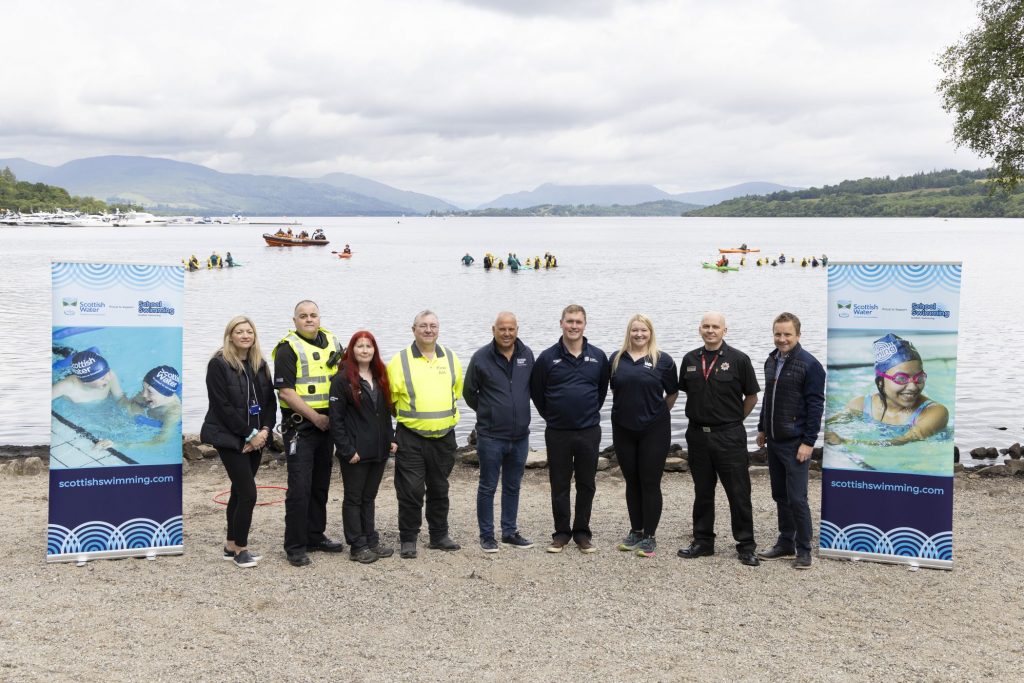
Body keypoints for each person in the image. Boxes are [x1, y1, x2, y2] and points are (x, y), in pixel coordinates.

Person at [677, 312, 761, 566]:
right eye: (706, 326)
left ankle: (746, 545)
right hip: (698, 436)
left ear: (725, 330)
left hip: (729, 436)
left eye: (715, 327)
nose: (710, 330)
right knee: (702, 491)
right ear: (699, 329)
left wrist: (733, 421)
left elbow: (752, 397)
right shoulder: (690, 359)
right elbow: (684, 391)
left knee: (738, 492)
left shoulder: (739, 360)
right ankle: (703, 541)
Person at [530, 304, 610, 554]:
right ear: (561, 323)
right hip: (558, 431)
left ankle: (582, 533)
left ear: (585, 325)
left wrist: (584, 414)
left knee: (587, 483)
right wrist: (555, 416)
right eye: (570, 321)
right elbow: (537, 394)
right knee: (560, 484)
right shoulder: (546, 357)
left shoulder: (598, 356)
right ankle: (562, 533)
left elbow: (601, 392)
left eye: (578, 322)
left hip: (588, 431)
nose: (574, 326)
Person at [200, 316, 277, 569]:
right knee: (248, 494)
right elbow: (221, 406)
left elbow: (269, 402)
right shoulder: (219, 364)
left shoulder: (260, 364)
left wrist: (265, 430)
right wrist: (248, 434)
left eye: (249, 332)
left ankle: (230, 544)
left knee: (238, 490)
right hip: (229, 437)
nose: (245, 335)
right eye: (239, 331)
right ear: (230, 335)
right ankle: (242, 550)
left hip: (257, 437)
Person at [273, 300, 345, 567]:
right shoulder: (287, 348)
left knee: (320, 485)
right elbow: (286, 392)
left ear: (319, 317)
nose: (309, 319)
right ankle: (294, 545)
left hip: (328, 426)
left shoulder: (333, 341)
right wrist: (315, 418)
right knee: (299, 488)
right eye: (303, 316)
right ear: (294, 320)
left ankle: (315, 535)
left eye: (313, 315)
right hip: (301, 427)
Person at [387, 310, 464, 559]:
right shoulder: (400, 361)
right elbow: (389, 400)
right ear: (414, 330)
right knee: (410, 490)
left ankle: (439, 535)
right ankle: (408, 538)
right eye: (423, 326)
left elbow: (457, 391)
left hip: (444, 437)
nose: (428, 330)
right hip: (411, 436)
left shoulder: (451, 358)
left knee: (440, 488)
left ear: (438, 329)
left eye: (433, 325)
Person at [755, 313, 825, 570]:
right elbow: (768, 398)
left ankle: (804, 549)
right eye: (778, 334)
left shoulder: (810, 365)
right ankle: (786, 542)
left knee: (797, 498)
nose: (782, 339)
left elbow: (816, 405)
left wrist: (809, 441)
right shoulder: (771, 360)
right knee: (780, 495)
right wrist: (762, 427)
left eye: (787, 334)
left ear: (798, 335)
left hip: (796, 442)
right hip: (773, 440)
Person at [463, 312, 536, 553]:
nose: (507, 333)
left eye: (511, 329)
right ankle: (487, 536)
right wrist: (488, 411)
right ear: (493, 329)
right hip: (491, 436)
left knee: (513, 486)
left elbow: (532, 388)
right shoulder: (481, 357)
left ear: (517, 329)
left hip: (520, 436)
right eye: (502, 329)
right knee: (488, 486)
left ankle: (509, 532)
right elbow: (469, 392)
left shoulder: (527, 355)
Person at [609, 314, 679, 558]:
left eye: (644, 331)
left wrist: (655, 413)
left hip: (654, 430)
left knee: (650, 482)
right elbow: (615, 389)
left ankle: (649, 536)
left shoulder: (663, 360)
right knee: (632, 481)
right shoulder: (616, 359)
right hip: (623, 428)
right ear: (629, 332)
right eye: (635, 330)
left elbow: (672, 393)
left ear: (651, 333)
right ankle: (636, 531)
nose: (639, 334)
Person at [329, 331, 397, 564]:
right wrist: (347, 450)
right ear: (352, 349)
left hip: (378, 450)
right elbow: (335, 421)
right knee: (354, 498)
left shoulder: (380, 376)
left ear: (374, 350)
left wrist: (391, 439)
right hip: (355, 451)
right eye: (360, 346)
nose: (365, 350)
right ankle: (357, 545)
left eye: (369, 346)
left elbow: (386, 413)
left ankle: (371, 540)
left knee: (369, 497)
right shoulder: (341, 380)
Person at [825, 334, 949, 447]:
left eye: (919, 377)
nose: (913, 387)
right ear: (880, 381)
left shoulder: (935, 412)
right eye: (901, 378)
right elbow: (827, 425)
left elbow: (906, 440)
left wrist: (846, 442)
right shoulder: (860, 405)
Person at [52, 350, 123, 403]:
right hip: (60, 373)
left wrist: (132, 405)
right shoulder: (66, 386)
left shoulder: (111, 375)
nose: (109, 378)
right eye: (102, 378)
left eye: (108, 372)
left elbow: (120, 398)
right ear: (86, 381)